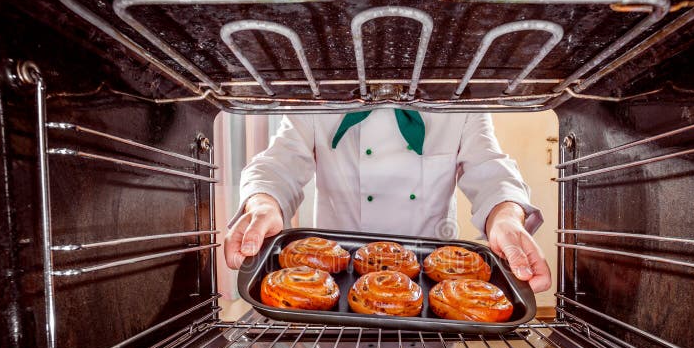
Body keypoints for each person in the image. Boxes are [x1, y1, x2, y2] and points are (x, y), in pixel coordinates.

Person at [224, 109, 552, 292]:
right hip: (334, 280)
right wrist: (263, 203)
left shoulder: (459, 98)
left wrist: (507, 218)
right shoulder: (319, 93)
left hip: (429, 289)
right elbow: (279, 163)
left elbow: (489, 169)